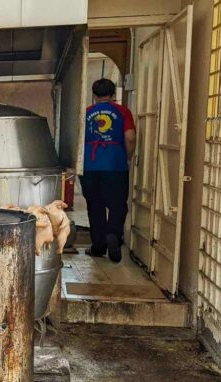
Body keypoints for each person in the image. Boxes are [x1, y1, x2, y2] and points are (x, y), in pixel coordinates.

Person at [82, 78, 136, 263]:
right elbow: (130, 137)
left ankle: (98, 246)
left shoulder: (87, 112)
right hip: (115, 164)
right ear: (113, 95)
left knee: (94, 205)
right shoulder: (123, 111)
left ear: (94, 95)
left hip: (90, 163)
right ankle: (113, 233)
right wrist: (127, 157)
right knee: (117, 203)